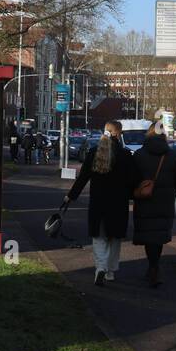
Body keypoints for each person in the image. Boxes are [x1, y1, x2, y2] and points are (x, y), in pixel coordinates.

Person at [62, 120, 137, 286]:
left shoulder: (94, 152)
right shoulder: (125, 155)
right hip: (118, 204)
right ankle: (110, 271)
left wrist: (71, 196)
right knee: (114, 238)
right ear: (119, 134)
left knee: (99, 238)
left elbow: (83, 178)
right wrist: (132, 196)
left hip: (98, 203)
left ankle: (100, 268)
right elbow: (133, 180)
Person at [131, 120, 176, 287]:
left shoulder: (139, 155)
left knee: (148, 236)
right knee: (159, 236)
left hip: (145, 201)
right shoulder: (172, 155)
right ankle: (154, 267)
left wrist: (137, 192)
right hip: (164, 202)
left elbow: (132, 178)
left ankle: (152, 266)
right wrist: (170, 193)